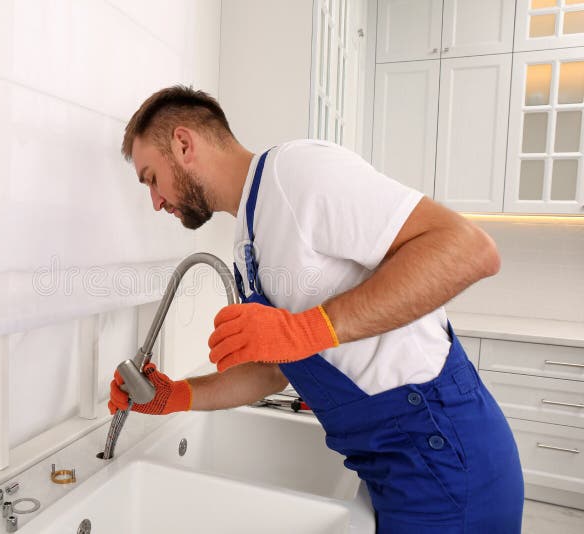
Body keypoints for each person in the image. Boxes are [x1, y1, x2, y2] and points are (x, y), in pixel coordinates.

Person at [109, 85, 524, 533]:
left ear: (184, 145)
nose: (155, 202)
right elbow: (273, 372)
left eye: (151, 178)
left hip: (441, 456)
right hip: (391, 467)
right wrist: (178, 395)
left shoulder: (297, 173)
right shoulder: (249, 237)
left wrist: (305, 330)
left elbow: (469, 250)